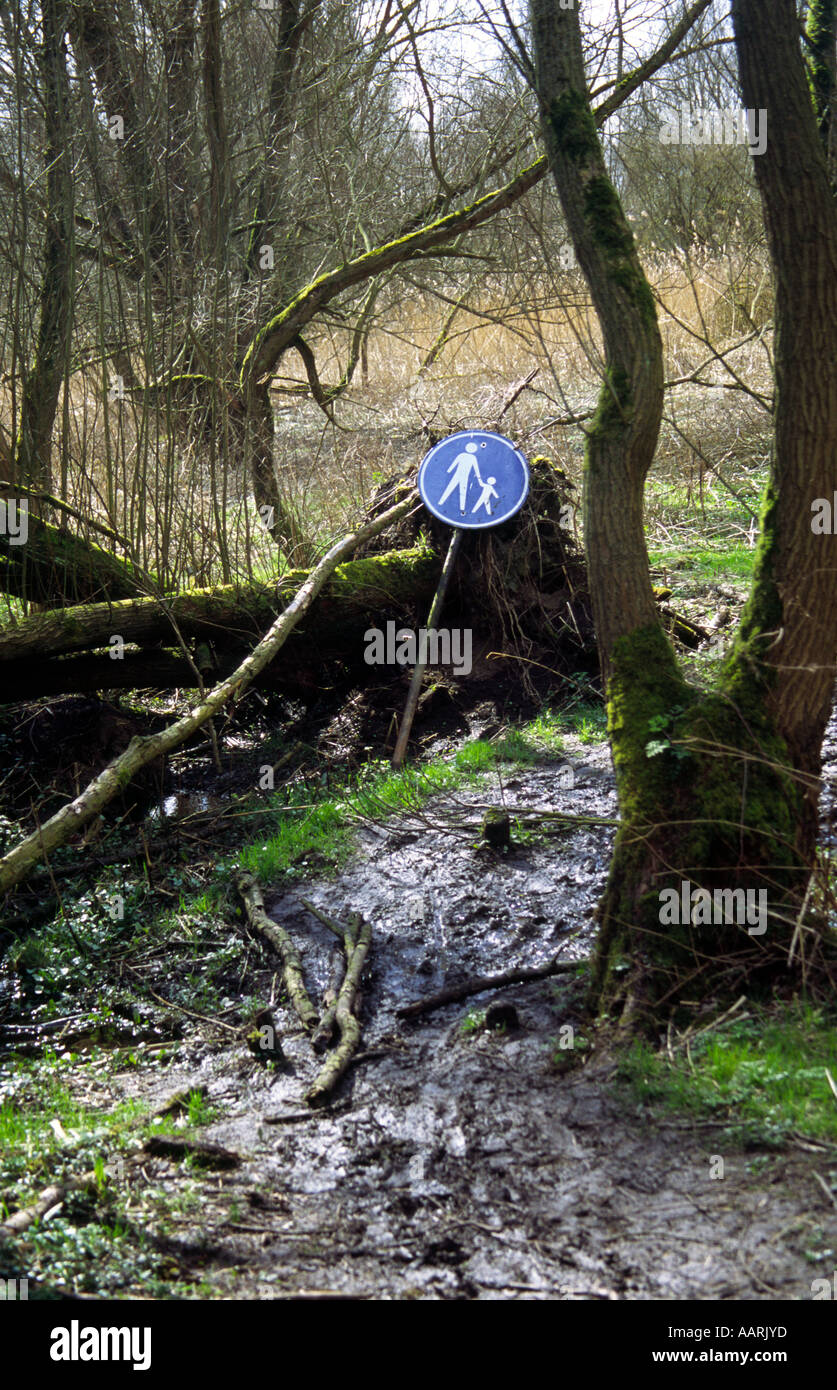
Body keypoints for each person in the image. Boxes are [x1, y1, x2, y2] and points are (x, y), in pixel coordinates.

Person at [438, 441, 482, 513]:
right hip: (460, 475)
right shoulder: (469, 457)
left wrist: (448, 472)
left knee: (457, 490)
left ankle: (443, 503)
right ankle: (442, 503)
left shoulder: (465, 456)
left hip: (462, 476)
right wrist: (448, 472)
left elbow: (476, 469)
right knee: (457, 489)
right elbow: (454, 464)